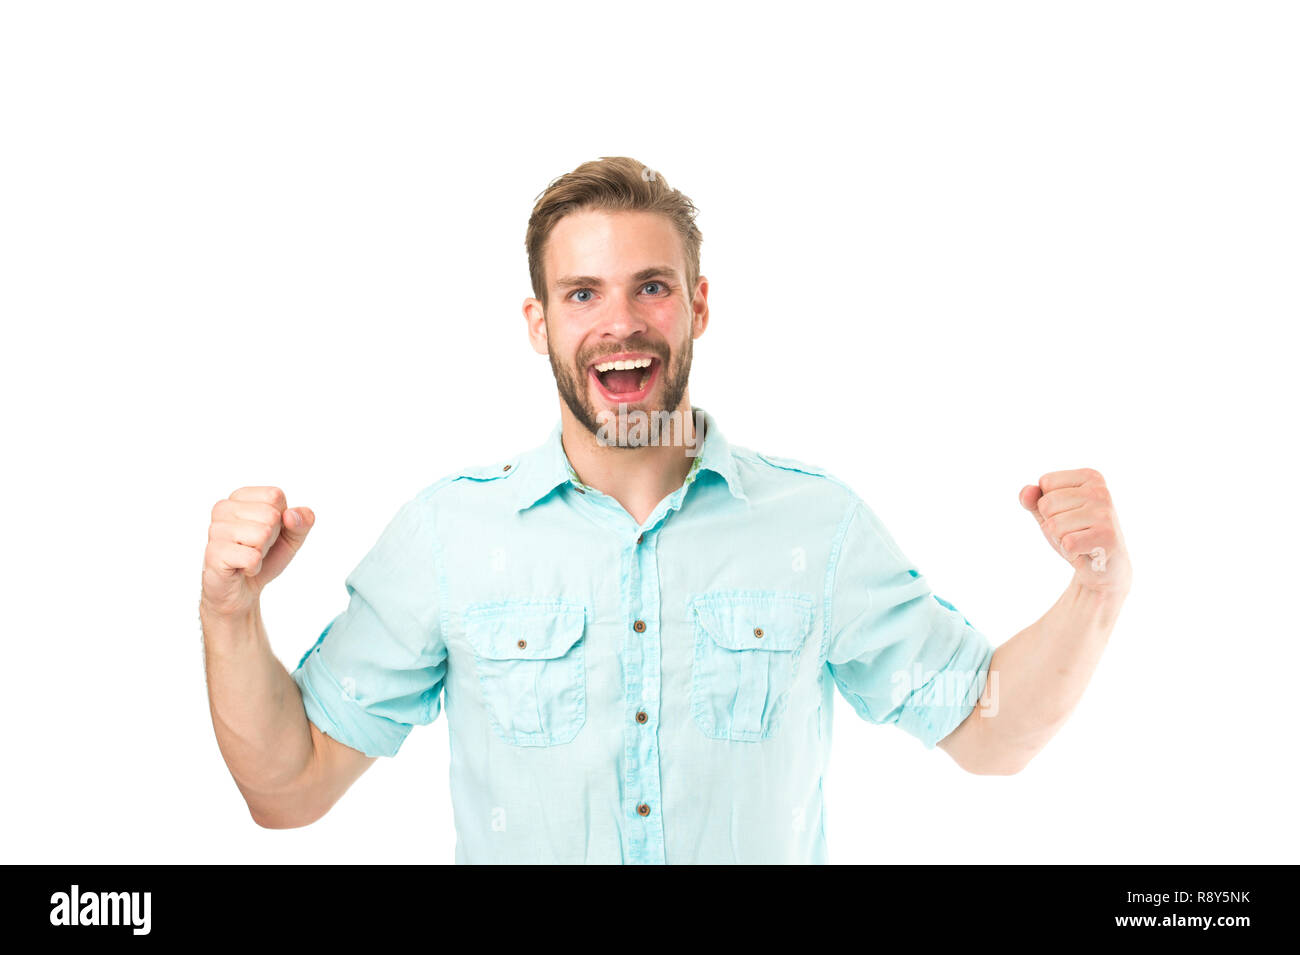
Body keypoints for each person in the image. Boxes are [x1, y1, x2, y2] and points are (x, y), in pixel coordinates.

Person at [199, 156, 1132, 864]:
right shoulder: (450, 536)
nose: (622, 321)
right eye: (582, 293)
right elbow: (289, 790)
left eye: (652, 286)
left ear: (698, 307)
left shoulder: (817, 527)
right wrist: (229, 612)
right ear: (539, 325)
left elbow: (989, 730)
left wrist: (1097, 589)